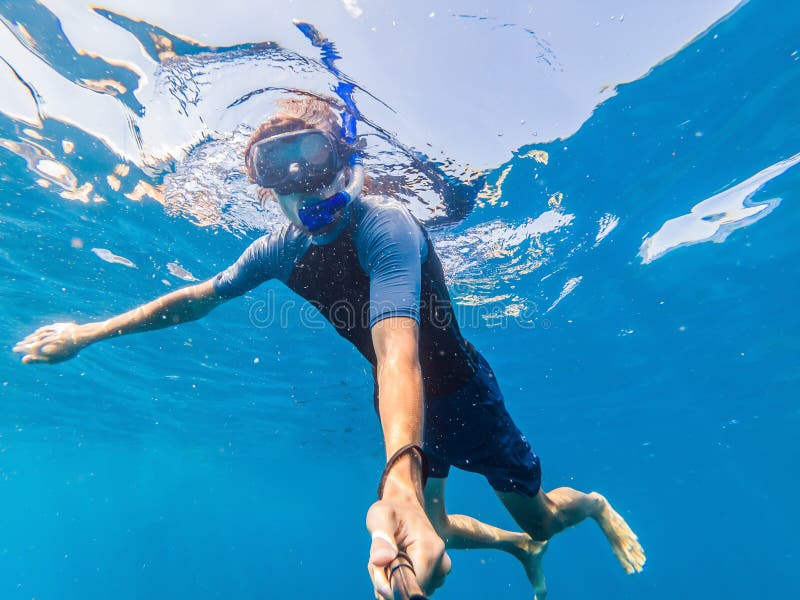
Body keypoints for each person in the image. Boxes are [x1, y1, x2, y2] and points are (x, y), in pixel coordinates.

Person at [14, 97, 645, 599]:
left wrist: (400, 475)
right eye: (282, 172)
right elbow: (196, 298)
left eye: (316, 164)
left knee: (544, 520)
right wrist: (88, 333)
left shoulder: (387, 226)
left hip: (463, 395)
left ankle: (589, 507)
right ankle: (517, 548)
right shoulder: (278, 252)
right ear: (267, 191)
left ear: (346, 165)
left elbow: (399, 348)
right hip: (400, 407)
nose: (306, 188)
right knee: (441, 527)